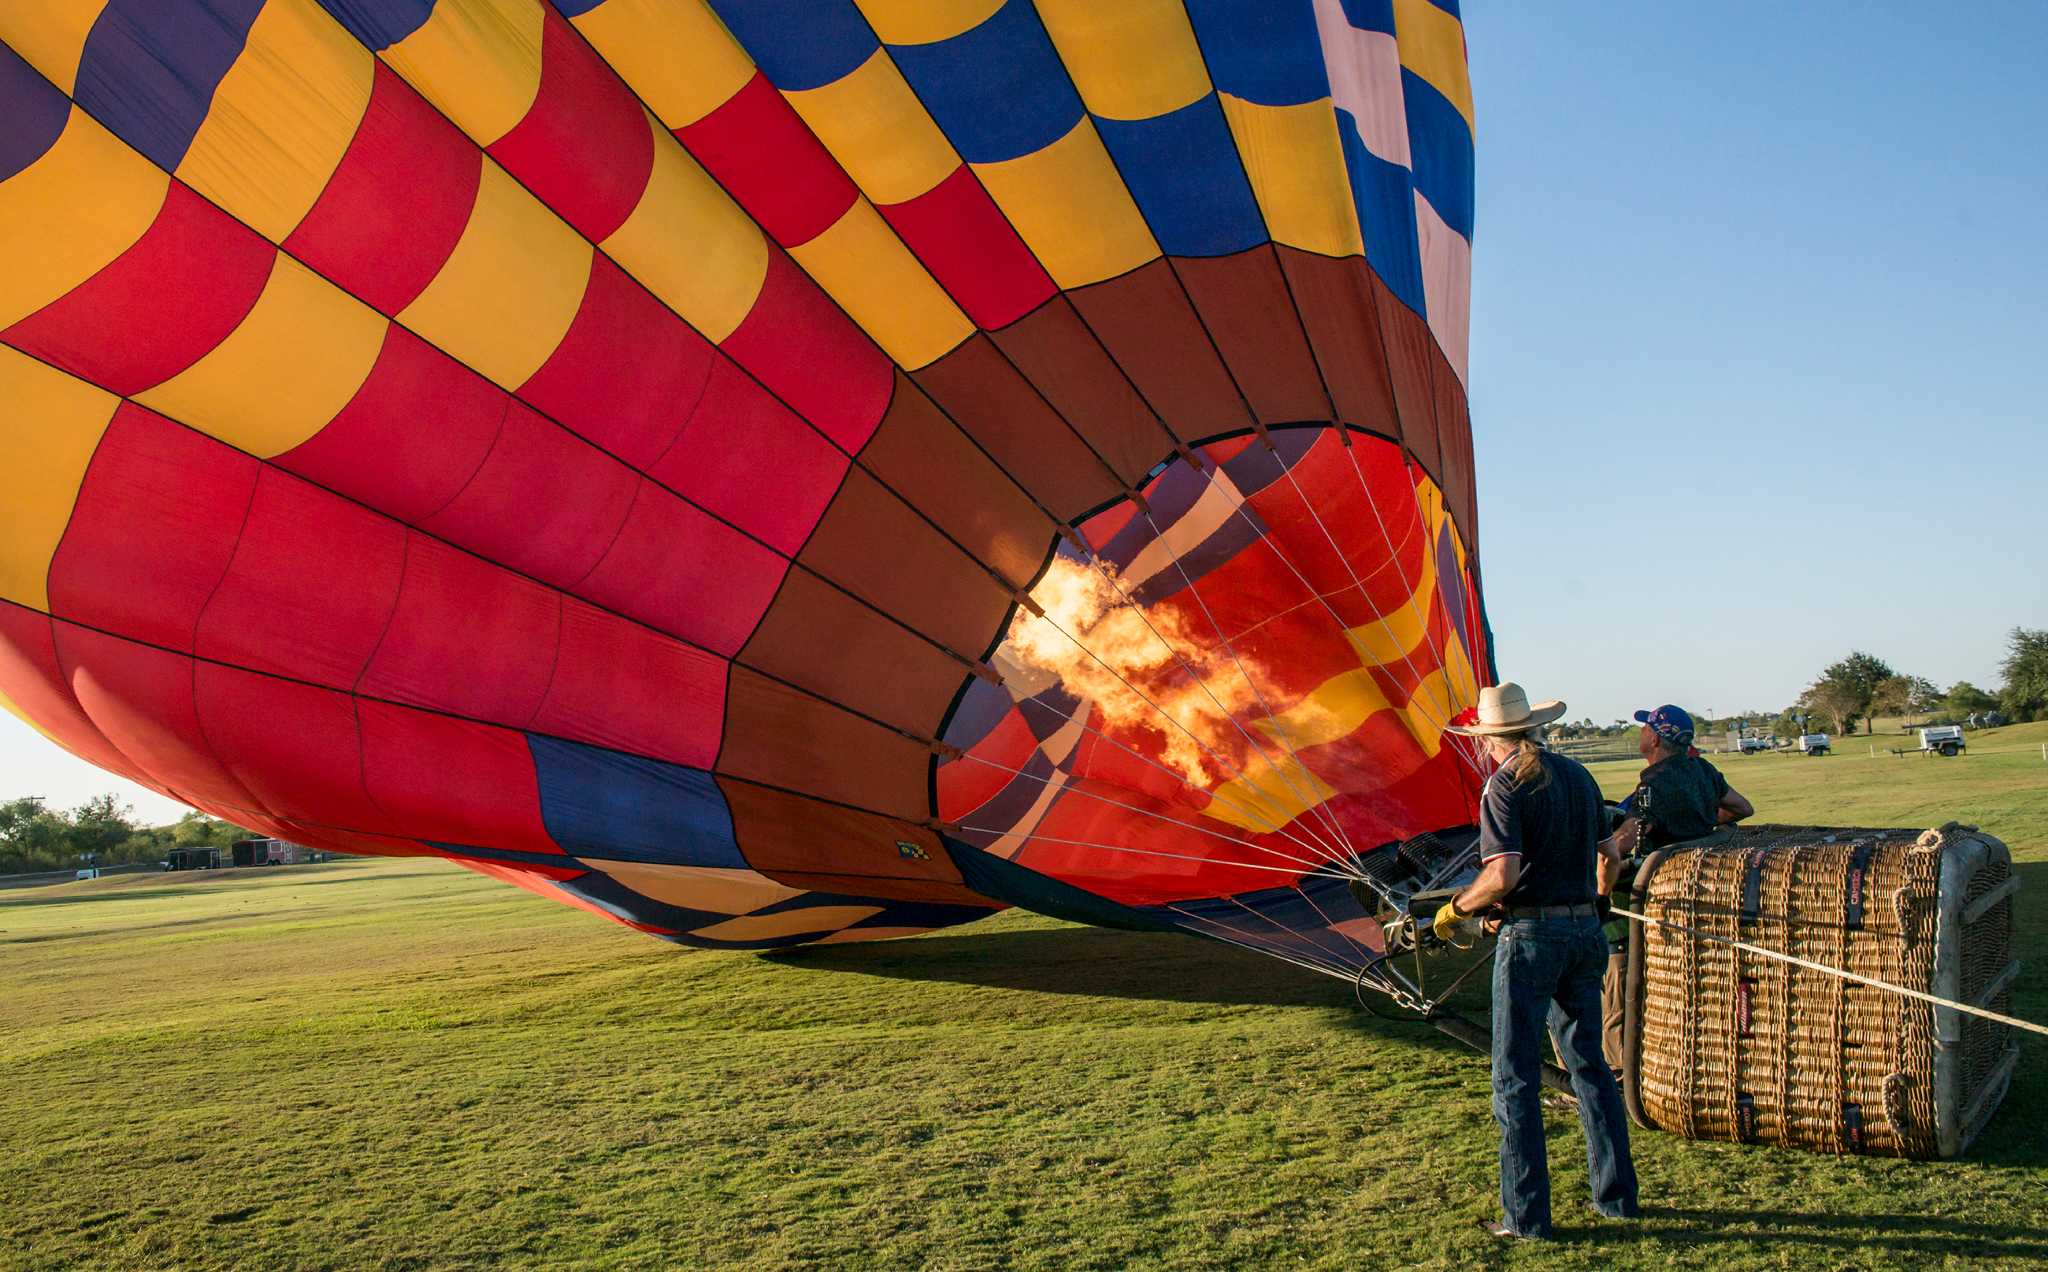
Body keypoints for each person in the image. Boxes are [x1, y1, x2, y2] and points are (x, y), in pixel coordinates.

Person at [1433, 682, 1638, 1240]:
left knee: (1515, 1076)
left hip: (1532, 939)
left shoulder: (1503, 786)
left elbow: (1501, 875)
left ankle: (1526, 1217)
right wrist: (1593, 906)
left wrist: (1455, 910)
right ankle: (1617, 1199)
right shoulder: (1578, 775)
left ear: (1488, 740)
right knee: (1590, 1068)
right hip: (1584, 934)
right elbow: (1610, 857)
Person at [1599, 705, 1754, 1070]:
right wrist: (1700, 820)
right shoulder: (1703, 770)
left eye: (1644, 730)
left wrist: (1600, 873)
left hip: (1660, 896)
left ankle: (1620, 1070)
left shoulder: (1653, 784)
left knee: (1618, 966)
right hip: (1698, 885)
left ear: (1654, 738)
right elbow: (1742, 808)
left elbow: (1622, 844)